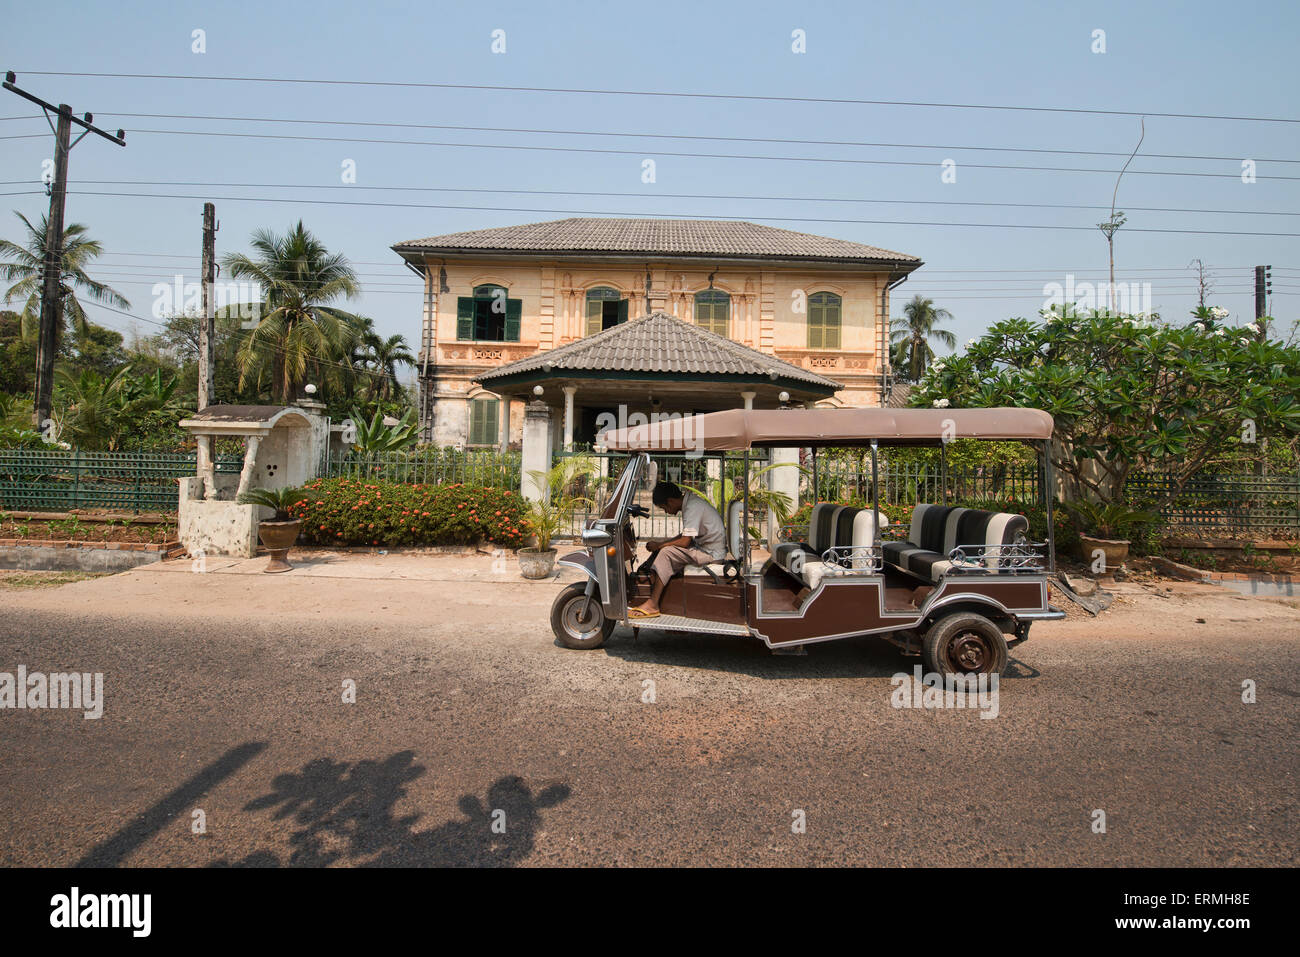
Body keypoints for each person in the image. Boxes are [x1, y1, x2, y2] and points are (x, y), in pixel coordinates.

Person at [628, 481, 726, 619]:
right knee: (664, 548)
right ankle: (649, 581)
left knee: (666, 553)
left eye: (664, 508)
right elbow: (685, 535)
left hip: (710, 554)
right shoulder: (691, 503)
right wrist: (660, 543)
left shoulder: (692, 507)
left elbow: (685, 542)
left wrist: (660, 546)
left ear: (671, 501)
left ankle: (653, 604)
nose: (666, 512)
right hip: (704, 548)